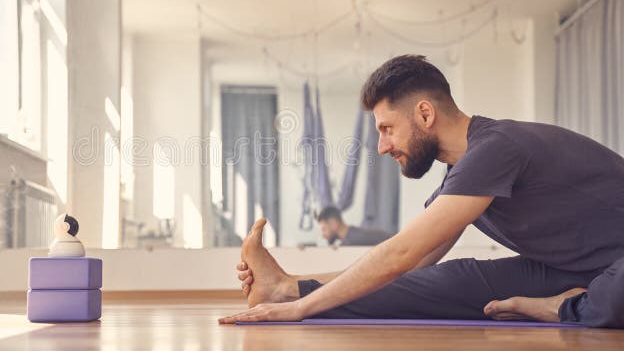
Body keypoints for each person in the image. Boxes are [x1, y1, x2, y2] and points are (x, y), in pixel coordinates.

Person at [219, 54, 624, 328]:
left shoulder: (496, 148)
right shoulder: (462, 172)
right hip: (576, 270)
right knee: (454, 280)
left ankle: (565, 307)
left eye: (386, 129)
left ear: (425, 114)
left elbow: (399, 255)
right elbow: (410, 261)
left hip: (617, 268)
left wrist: (301, 309)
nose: (382, 146)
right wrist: (294, 287)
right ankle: (282, 288)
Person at [316, 206, 393, 246]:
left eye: (324, 229)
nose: (323, 235)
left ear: (333, 223)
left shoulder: (352, 241)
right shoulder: (349, 240)